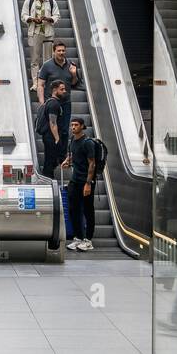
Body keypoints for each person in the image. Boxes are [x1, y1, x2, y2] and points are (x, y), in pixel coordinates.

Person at [63, 117, 104, 252]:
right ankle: (78, 238)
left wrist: (88, 183)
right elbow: (74, 155)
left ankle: (88, 240)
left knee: (87, 210)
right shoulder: (73, 141)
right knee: (73, 209)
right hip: (75, 181)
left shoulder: (88, 143)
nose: (73, 127)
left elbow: (92, 163)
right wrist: (67, 161)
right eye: (72, 125)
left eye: (76, 125)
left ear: (82, 126)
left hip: (86, 181)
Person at [37, 41, 80, 163]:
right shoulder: (47, 66)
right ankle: (50, 159)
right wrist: (42, 103)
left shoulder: (71, 65)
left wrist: (74, 74)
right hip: (51, 103)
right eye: (59, 50)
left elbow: (74, 83)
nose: (61, 53)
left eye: (63, 50)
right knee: (51, 130)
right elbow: (40, 84)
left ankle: (62, 157)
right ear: (54, 51)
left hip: (66, 102)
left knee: (65, 130)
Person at [20, 0, 59, 91]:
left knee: (47, 60)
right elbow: (23, 15)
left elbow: (57, 16)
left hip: (48, 33)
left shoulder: (52, 1)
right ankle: (36, 83)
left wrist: (48, 18)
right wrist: (32, 19)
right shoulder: (30, 0)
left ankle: (45, 83)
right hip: (35, 32)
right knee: (35, 60)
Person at [35, 79, 66, 179]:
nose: (64, 91)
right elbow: (52, 123)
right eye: (62, 89)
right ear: (54, 90)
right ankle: (48, 179)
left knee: (50, 159)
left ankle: (48, 178)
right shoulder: (54, 104)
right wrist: (57, 138)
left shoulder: (50, 102)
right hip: (51, 137)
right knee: (50, 160)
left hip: (49, 136)